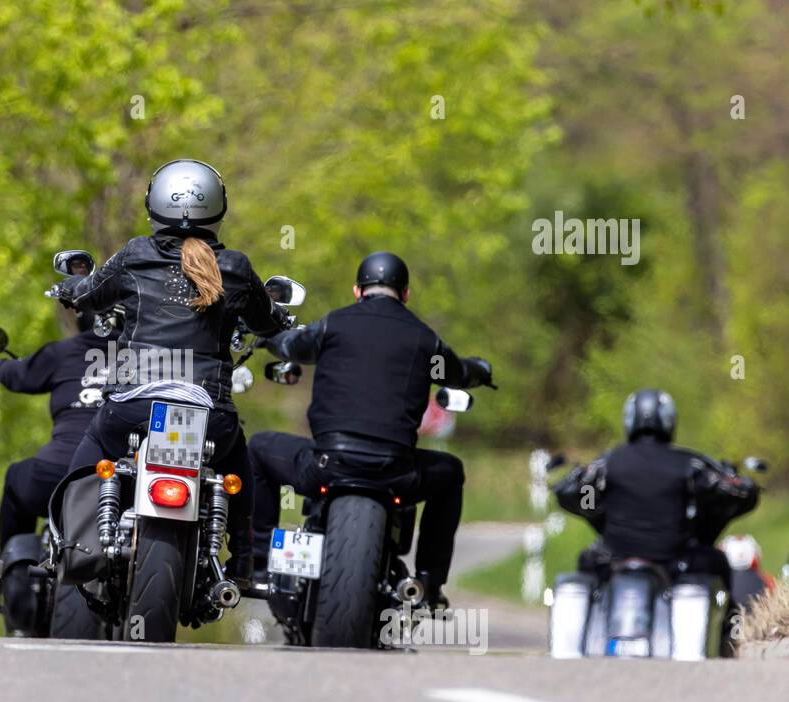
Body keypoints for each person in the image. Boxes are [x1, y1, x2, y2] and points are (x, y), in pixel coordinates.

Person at [54, 158, 292, 577]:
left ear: (154, 203)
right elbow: (267, 322)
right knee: (239, 462)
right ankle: (243, 562)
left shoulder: (135, 254)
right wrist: (282, 320)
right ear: (218, 208)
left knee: (88, 455)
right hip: (207, 415)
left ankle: (72, 546)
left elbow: (89, 294)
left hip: (132, 406)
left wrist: (69, 287)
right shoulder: (234, 267)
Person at [248, 251, 494, 607]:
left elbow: (289, 345)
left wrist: (266, 334)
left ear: (356, 290)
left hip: (326, 465)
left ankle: (257, 563)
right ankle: (429, 583)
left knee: (258, 446)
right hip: (396, 471)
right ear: (406, 294)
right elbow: (460, 374)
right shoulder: (427, 341)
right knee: (451, 472)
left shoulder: (333, 324)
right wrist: (481, 370)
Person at [554, 388, 759, 587]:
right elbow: (733, 489)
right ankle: (734, 622)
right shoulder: (689, 463)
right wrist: (743, 484)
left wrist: (595, 513)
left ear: (629, 419)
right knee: (717, 561)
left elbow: (571, 490)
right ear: (669, 421)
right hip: (676, 563)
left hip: (613, 559)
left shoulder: (608, 462)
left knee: (586, 560)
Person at [0, 311, 109, 549]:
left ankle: (15, 568)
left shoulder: (63, 352)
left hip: (54, 475)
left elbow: (21, 374)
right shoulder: (148, 358)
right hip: (116, 482)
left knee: (15, 477)